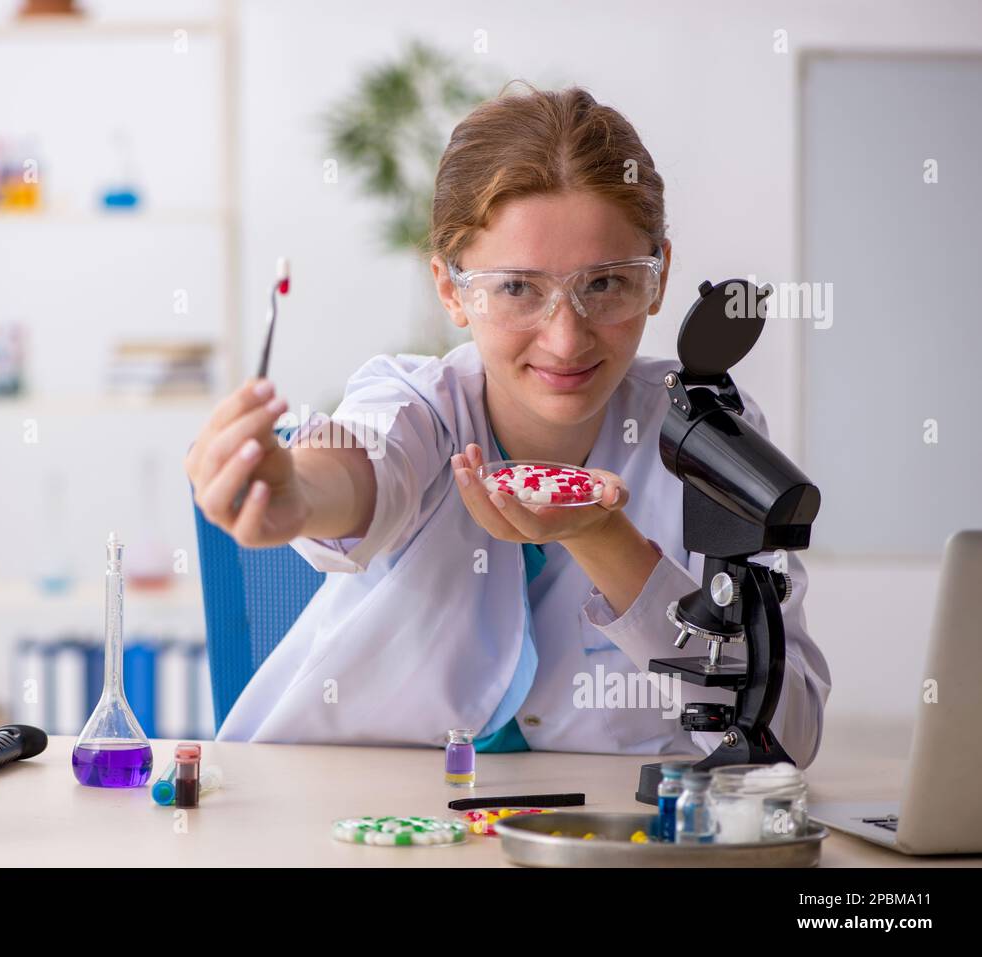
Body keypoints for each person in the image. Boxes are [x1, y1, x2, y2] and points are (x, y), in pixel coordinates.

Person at [185, 84, 830, 761]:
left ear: (659, 275)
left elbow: (788, 734)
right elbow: (359, 461)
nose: (565, 340)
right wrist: (295, 490)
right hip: (338, 821)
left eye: (605, 283)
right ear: (450, 289)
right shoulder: (420, 405)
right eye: (518, 288)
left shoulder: (708, 435)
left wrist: (605, 538)